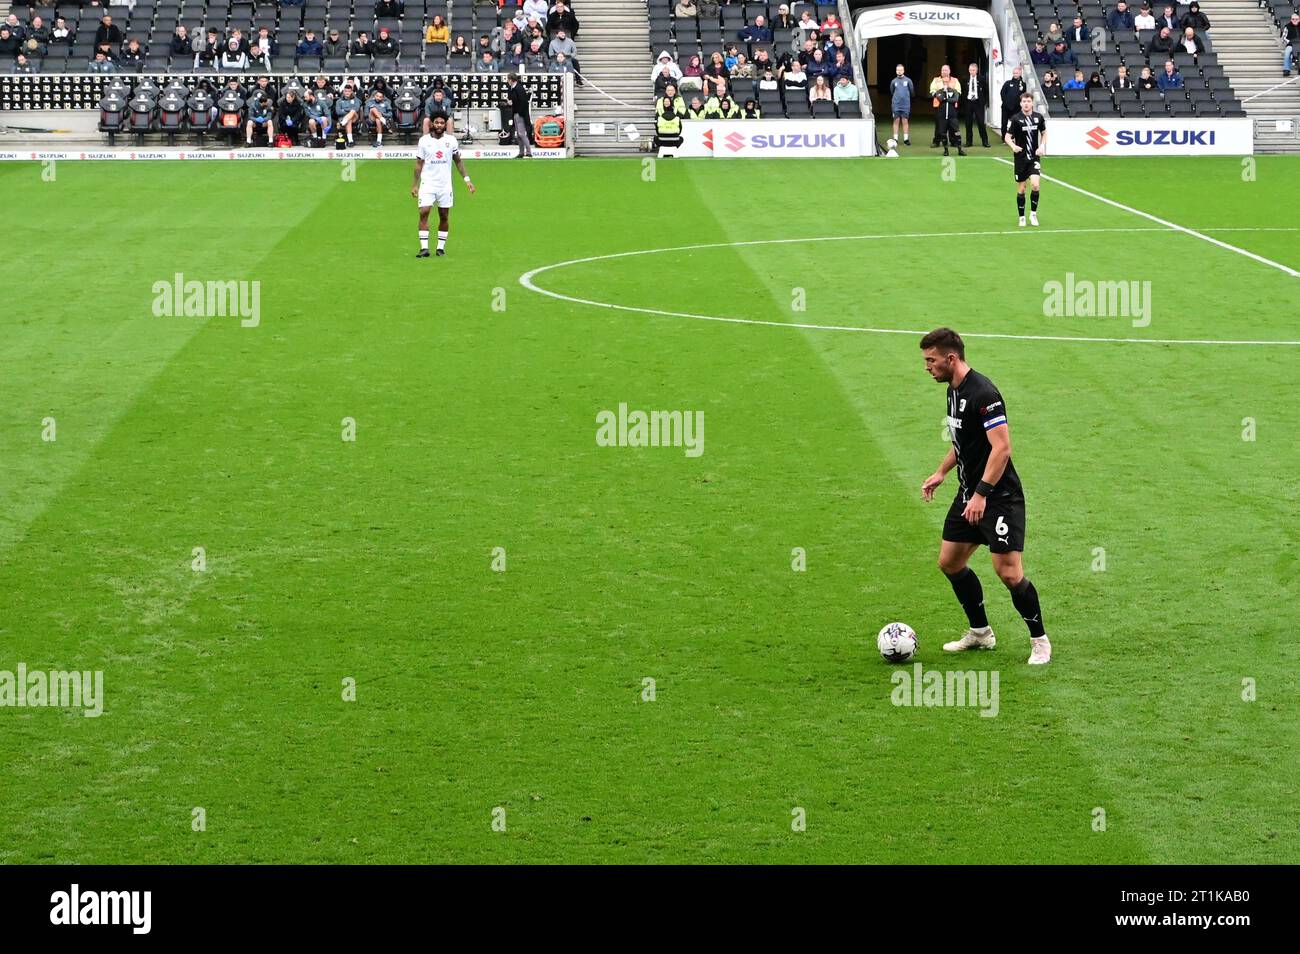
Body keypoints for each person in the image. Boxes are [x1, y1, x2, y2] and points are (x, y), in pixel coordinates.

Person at [918, 327, 1051, 666]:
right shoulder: (952, 389)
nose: (927, 367)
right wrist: (942, 472)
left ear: (952, 358)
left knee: (1008, 572)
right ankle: (980, 632)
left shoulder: (984, 393)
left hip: (998, 497)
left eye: (931, 361)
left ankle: (1040, 641)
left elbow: (1002, 448)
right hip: (970, 493)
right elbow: (962, 439)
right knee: (950, 562)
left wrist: (980, 495)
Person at [412, 112, 475, 259]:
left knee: (444, 216)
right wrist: (415, 184)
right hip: (428, 183)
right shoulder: (423, 141)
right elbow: (418, 164)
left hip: (445, 185)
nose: (439, 125)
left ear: (445, 124)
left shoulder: (451, 141)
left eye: (442, 123)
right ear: (431, 124)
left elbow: (458, 161)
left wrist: (467, 180)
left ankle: (440, 248)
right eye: (437, 122)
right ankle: (424, 248)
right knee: (424, 211)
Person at [1004, 91, 1046, 227]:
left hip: (1034, 157)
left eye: (1028, 101)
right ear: (1020, 103)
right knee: (1022, 189)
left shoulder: (1038, 118)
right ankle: (1021, 217)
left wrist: (1042, 146)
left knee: (1035, 184)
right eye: (1024, 102)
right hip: (1020, 158)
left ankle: (1033, 214)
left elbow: (1044, 133)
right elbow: (1007, 136)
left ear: (1032, 103)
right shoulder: (1016, 119)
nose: (1026, 104)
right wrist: (1013, 146)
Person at [960, 62, 989, 148]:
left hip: (978, 103)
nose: (971, 72)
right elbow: (962, 92)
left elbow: (986, 91)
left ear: (977, 70)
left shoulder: (982, 79)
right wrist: (963, 103)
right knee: (968, 123)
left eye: (973, 70)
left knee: (980, 122)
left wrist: (985, 102)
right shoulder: (965, 78)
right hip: (968, 102)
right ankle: (969, 142)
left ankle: (985, 141)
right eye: (970, 70)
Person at [934, 75, 964, 157]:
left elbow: (956, 99)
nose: (946, 83)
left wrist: (946, 99)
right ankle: (946, 150)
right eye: (944, 82)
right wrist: (945, 94)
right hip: (942, 116)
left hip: (952, 116)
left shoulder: (954, 91)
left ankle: (960, 149)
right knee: (943, 133)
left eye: (947, 82)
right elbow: (939, 98)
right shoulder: (939, 91)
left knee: (957, 132)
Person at [506, 72, 532, 158]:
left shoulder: (519, 88)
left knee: (521, 134)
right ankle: (521, 152)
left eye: (508, 79)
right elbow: (515, 100)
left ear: (511, 80)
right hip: (516, 113)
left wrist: (519, 112)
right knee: (519, 134)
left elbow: (523, 102)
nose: (507, 81)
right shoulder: (512, 88)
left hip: (520, 114)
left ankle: (529, 152)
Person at [999, 65, 1026, 139]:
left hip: (1016, 108)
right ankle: (1004, 138)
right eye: (1014, 73)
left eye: (1016, 73)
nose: (1015, 75)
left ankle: (1014, 137)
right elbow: (1002, 93)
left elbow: (1024, 95)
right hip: (1006, 107)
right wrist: (1006, 102)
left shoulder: (1023, 85)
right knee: (1004, 123)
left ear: (1020, 73)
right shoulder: (1008, 83)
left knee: (1015, 123)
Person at [1284, 12, 1300, 76]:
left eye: (1296, 19)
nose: (1294, 20)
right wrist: (1289, 42)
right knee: (1287, 53)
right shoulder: (1287, 27)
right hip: (1291, 44)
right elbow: (1283, 38)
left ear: (1299, 20)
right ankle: (1286, 69)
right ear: (1291, 20)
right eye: (1293, 19)